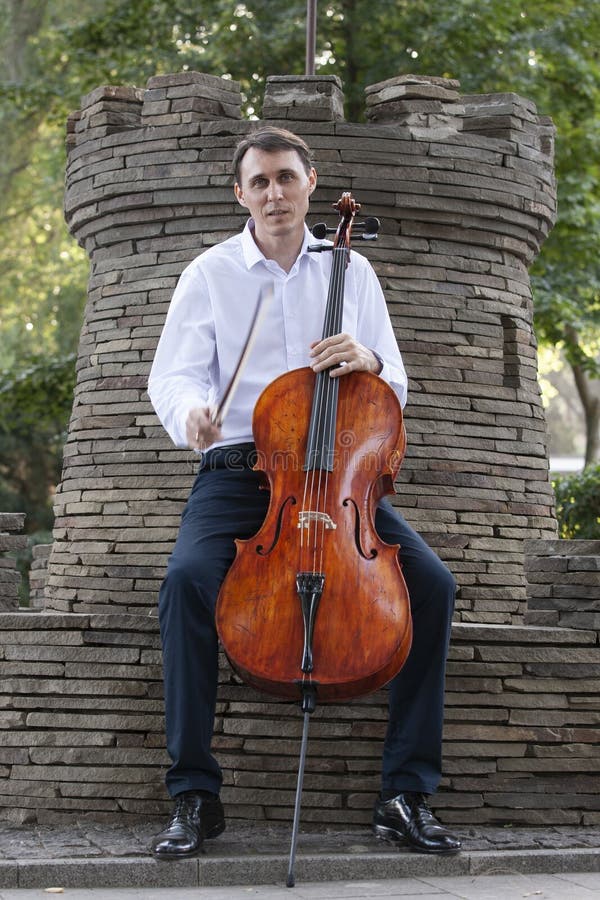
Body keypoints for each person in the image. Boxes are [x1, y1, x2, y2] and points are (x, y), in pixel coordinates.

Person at [147, 125, 461, 859]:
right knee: (187, 581)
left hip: (337, 479)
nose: (274, 193)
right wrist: (191, 412)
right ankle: (195, 794)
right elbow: (174, 374)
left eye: (286, 177)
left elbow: (397, 384)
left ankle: (404, 793)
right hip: (239, 474)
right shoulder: (211, 274)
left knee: (434, 587)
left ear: (310, 182)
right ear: (240, 194)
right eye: (258, 182)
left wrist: (369, 357)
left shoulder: (353, 273)